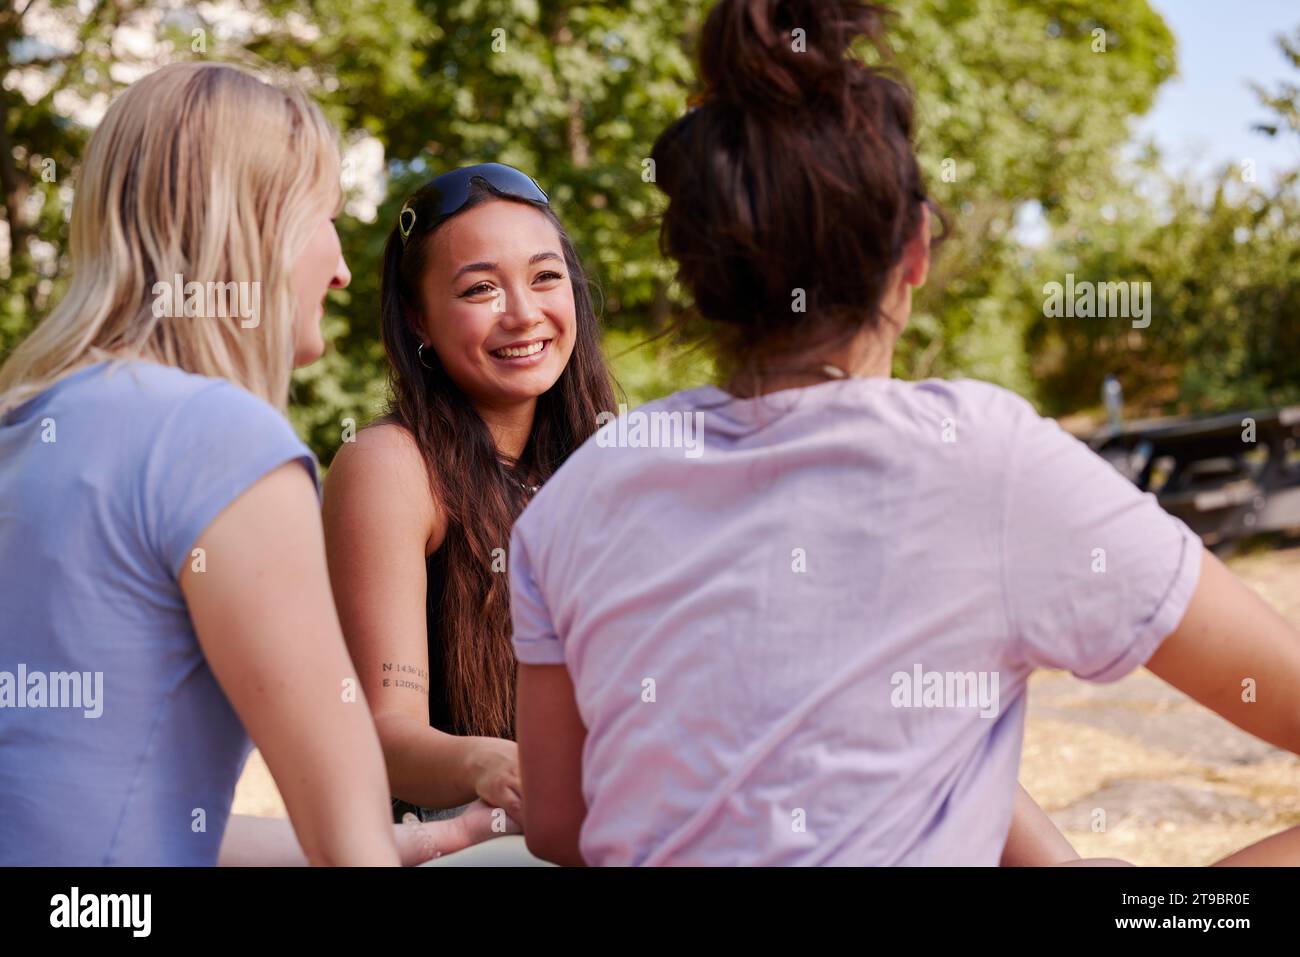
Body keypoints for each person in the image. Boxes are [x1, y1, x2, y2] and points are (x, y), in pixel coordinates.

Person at [507, 0, 1300, 866]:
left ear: (697, 273)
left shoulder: (577, 494)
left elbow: (558, 824)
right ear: (915, 249)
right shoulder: (988, 460)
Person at [0, 62, 501, 866]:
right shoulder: (217, 438)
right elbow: (348, 848)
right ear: (255, 227)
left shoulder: (27, 423)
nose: (340, 268)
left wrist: (423, 839)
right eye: (325, 218)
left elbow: (124, 822)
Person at [322, 164, 616, 828]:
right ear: (418, 320)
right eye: (481, 288)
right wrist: (497, 765)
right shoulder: (390, 466)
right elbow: (381, 731)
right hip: (457, 841)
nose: (523, 312)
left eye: (545, 277)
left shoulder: (608, 461)